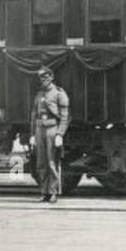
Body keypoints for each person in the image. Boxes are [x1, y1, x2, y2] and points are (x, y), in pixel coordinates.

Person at [29, 65, 70, 203]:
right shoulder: (39, 94)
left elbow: (65, 117)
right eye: (41, 77)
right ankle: (44, 192)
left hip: (52, 129)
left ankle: (53, 192)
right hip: (40, 129)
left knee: (52, 161)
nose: (44, 79)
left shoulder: (59, 93)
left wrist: (60, 134)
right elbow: (34, 115)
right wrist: (32, 135)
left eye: (46, 77)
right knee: (41, 163)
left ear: (51, 77)